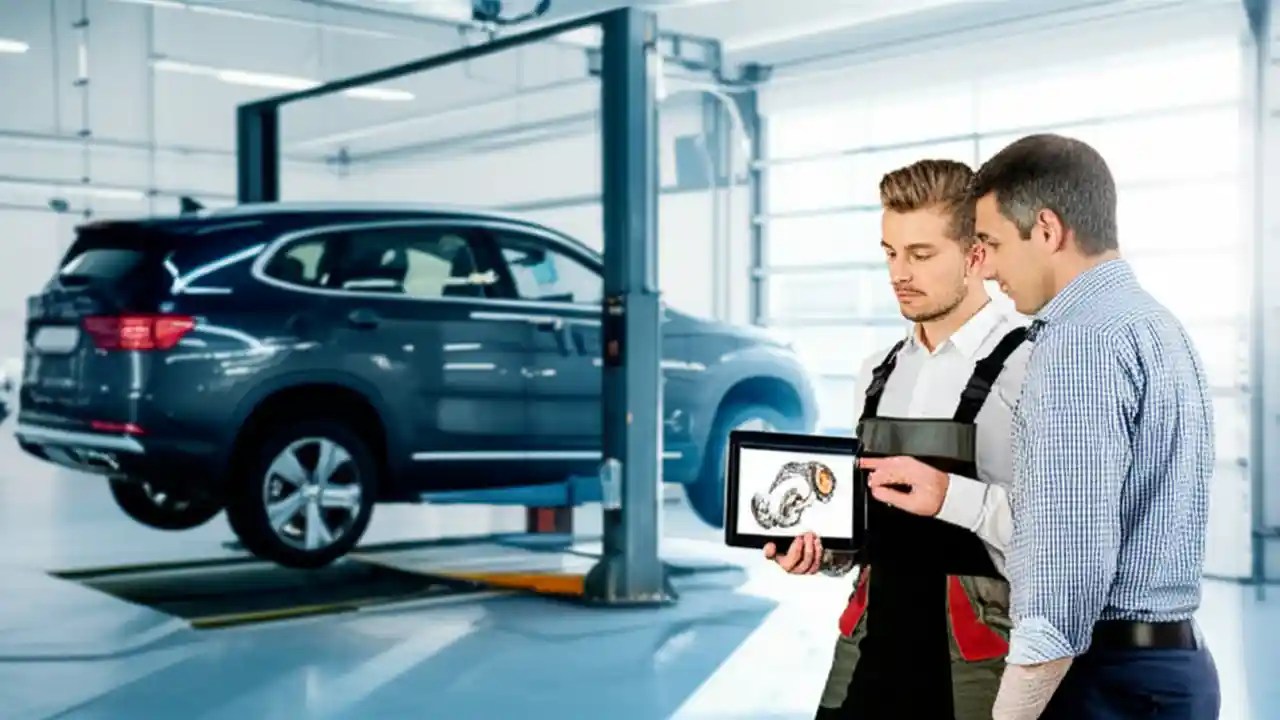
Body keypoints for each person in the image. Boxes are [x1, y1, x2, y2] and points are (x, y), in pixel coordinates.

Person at [764, 158, 1033, 719]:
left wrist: (950, 496)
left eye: (921, 254)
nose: (899, 273)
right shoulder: (876, 372)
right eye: (891, 253)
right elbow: (867, 532)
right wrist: (823, 551)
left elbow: (1065, 534)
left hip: (979, 655)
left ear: (976, 256)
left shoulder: (1031, 366)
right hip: (870, 646)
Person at [969, 133, 1219, 719]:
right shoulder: (1156, 324)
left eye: (994, 243)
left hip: (1107, 683)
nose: (989, 269)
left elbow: (1065, 573)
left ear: (1047, 230)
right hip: (1172, 669)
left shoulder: (1080, 342)